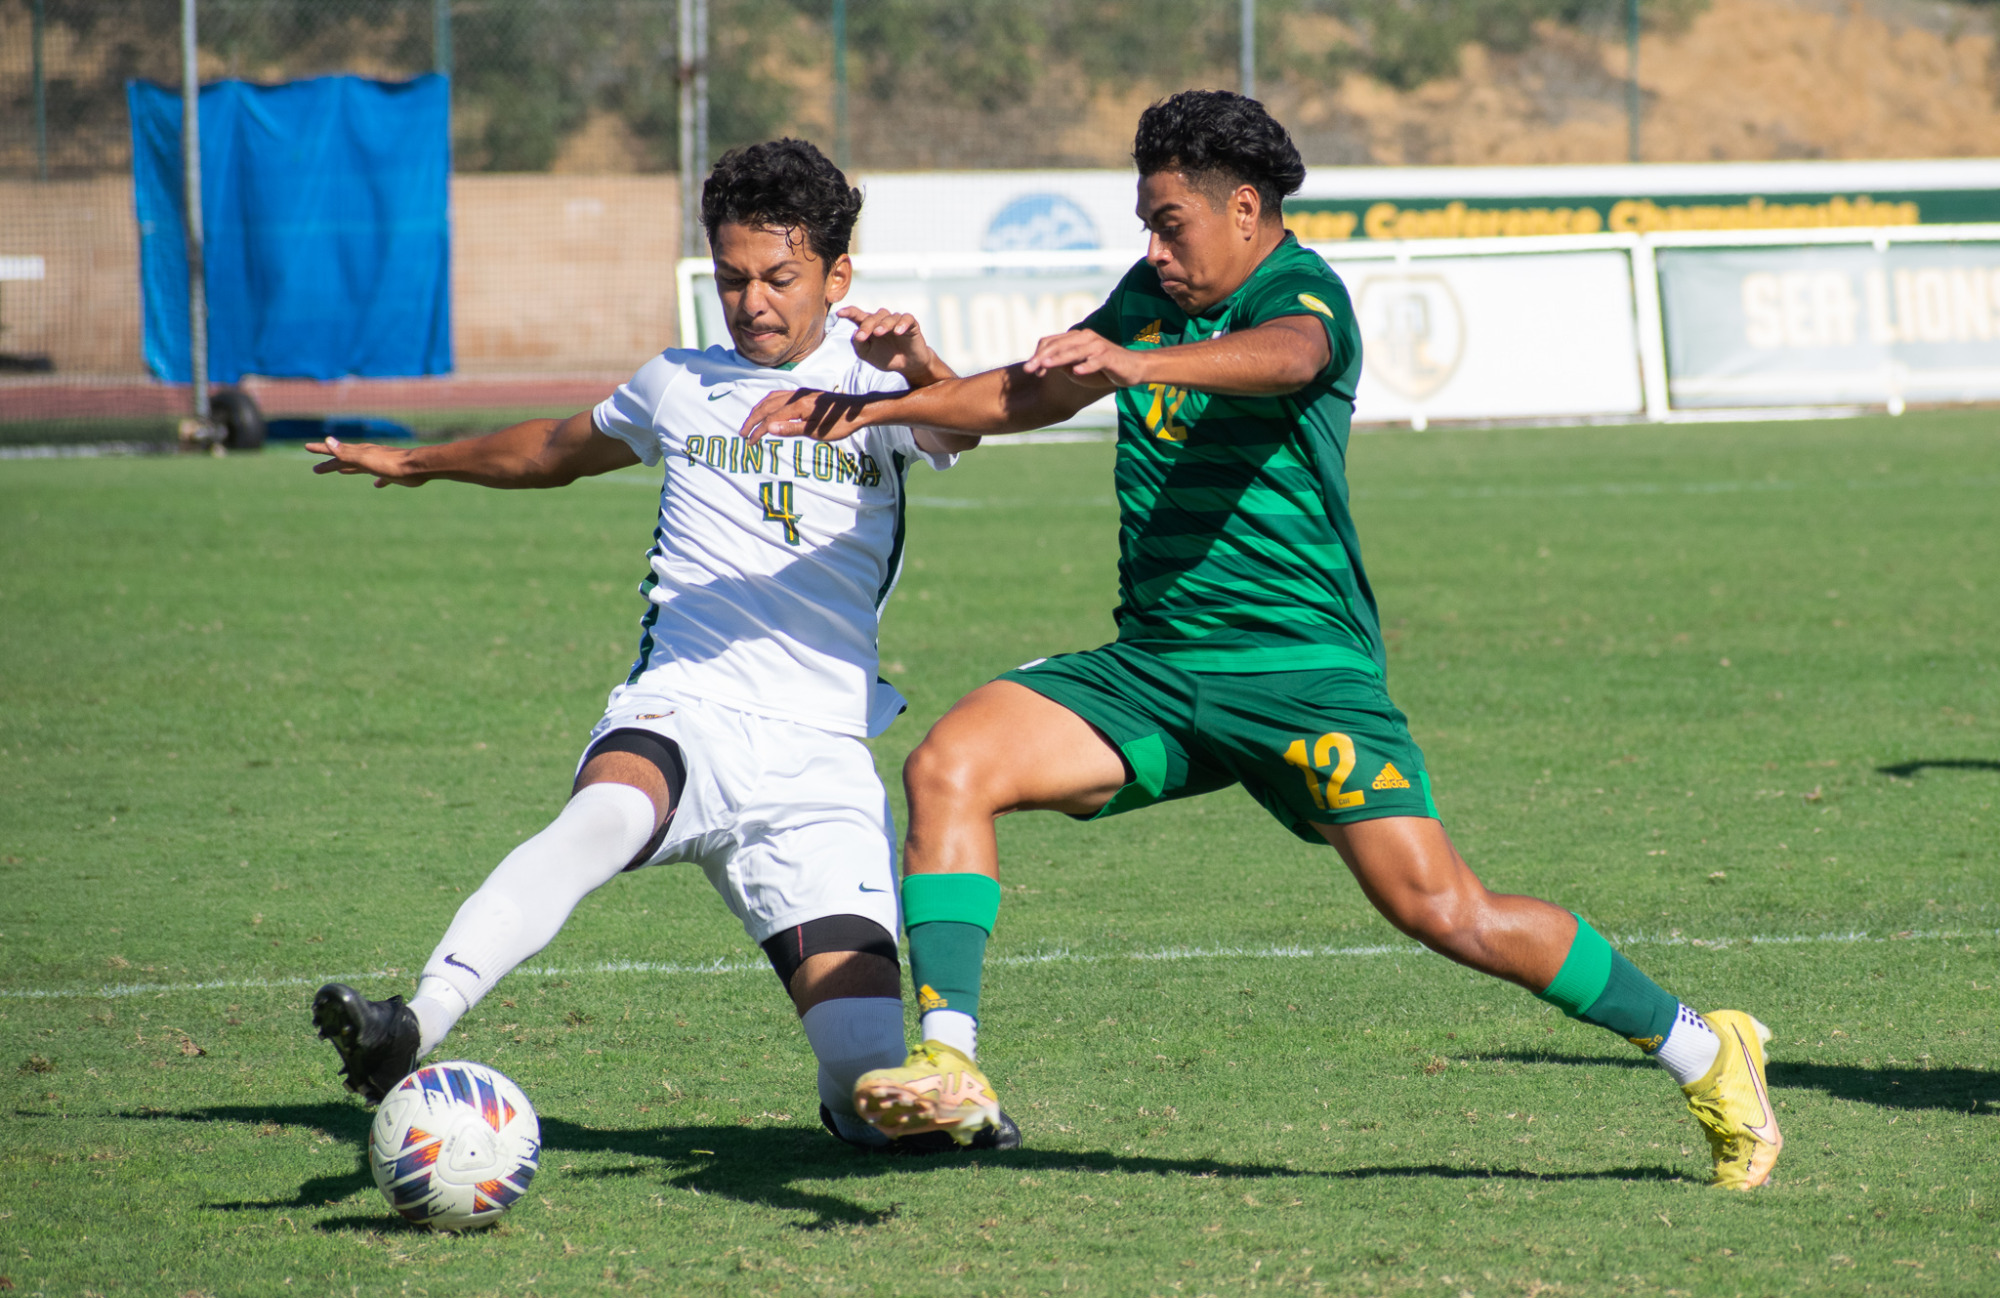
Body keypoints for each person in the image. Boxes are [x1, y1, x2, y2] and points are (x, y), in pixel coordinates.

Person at [740, 93, 1782, 1189]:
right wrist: (871, 407)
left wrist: (1138, 365)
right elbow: (1033, 391)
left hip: (1299, 675)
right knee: (952, 764)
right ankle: (951, 1062)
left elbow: (1290, 357)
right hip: (1155, 667)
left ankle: (1705, 1049)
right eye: (1146, 226)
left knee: (1445, 910)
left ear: (1244, 209)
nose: (1154, 250)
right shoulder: (1150, 298)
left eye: (1170, 224)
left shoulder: (1301, 294)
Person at [305, 138, 1016, 1153]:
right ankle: (410, 1024)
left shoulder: (883, 388)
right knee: (600, 818)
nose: (751, 302)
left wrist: (917, 369)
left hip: (819, 757)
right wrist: (418, 461)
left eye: (778, 278)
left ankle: (868, 1101)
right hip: (682, 705)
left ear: (837, 276)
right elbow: (554, 448)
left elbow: (967, 427)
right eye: (731, 278)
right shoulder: (674, 382)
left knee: (866, 1078)